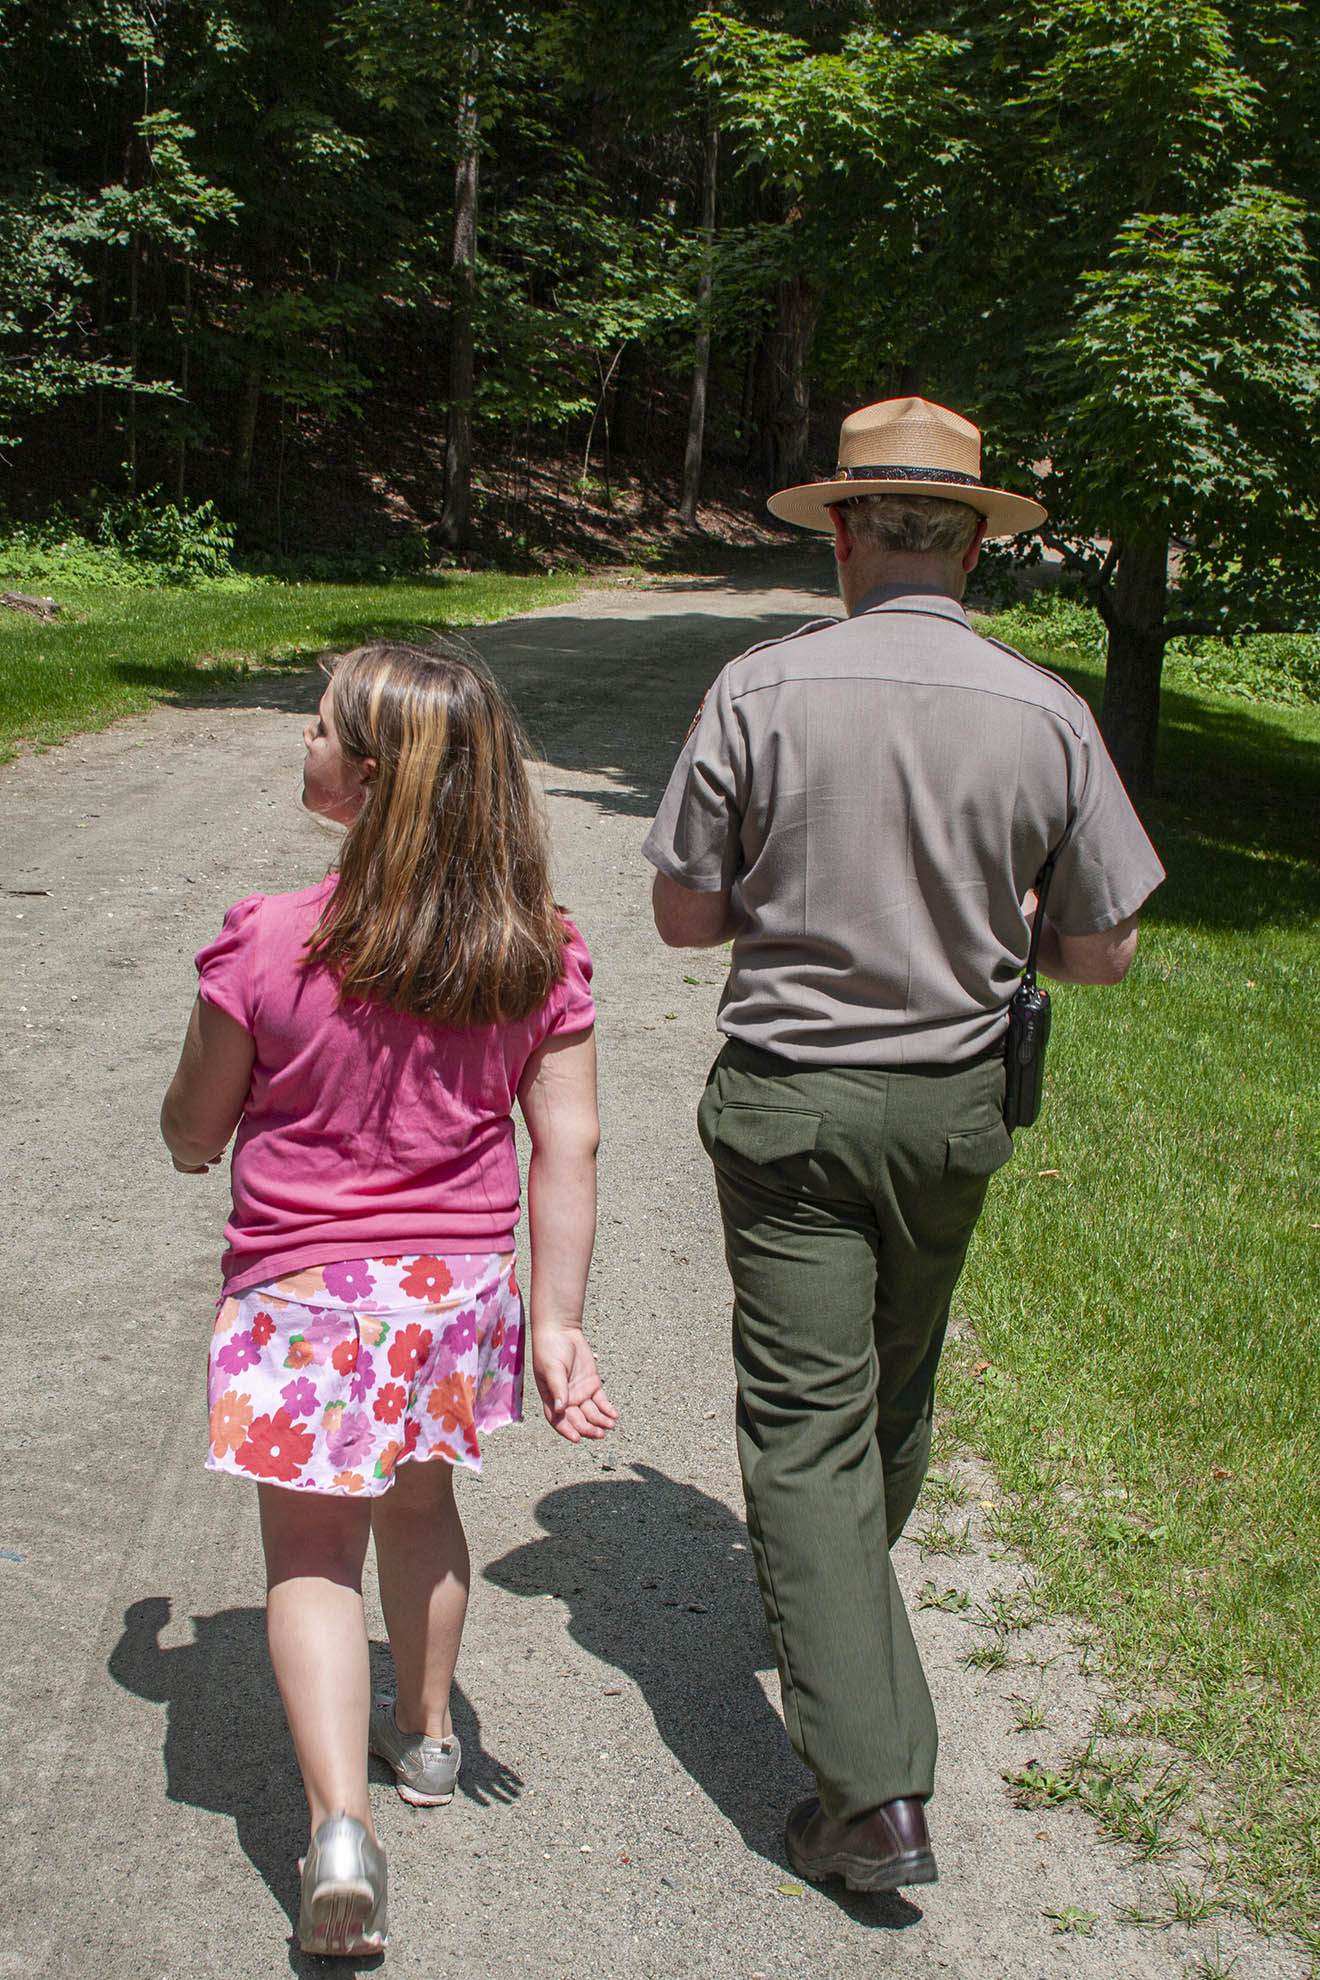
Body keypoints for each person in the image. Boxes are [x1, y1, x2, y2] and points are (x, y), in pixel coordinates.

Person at [643, 397, 1165, 1894]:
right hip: (955, 1111)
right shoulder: (1047, 711)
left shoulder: (758, 690)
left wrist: (802, 898)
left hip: (795, 1104)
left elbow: (685, 919)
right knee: (895, 1380)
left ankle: (871, 1794)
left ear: (850, 535)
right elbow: (1101, 955)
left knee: (806, 1425)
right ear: (975, 546)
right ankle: (841, 1626)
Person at [161, 641, 616, 1957]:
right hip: (453, 1293)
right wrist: (559, 1318)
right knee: (423, 1511)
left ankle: (339, 1828)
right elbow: (566, 1144)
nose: (299, 744)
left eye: (315, 729)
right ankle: (425, 1738)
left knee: (310, 1555)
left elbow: (199, 1123)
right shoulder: (536, 949)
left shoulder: (266, 940)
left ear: (363, 778)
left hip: (300, 1294)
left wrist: (195, 1142)